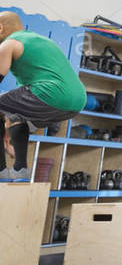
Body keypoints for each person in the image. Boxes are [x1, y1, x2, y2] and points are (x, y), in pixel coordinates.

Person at [0, 12, 87, 181]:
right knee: (15, 116)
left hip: (52, 94)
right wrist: (8, 136)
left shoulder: (8, 44)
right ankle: (19, 169)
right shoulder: (42, 42)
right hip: (77, 102)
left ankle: (2, 170)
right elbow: (13, 108)